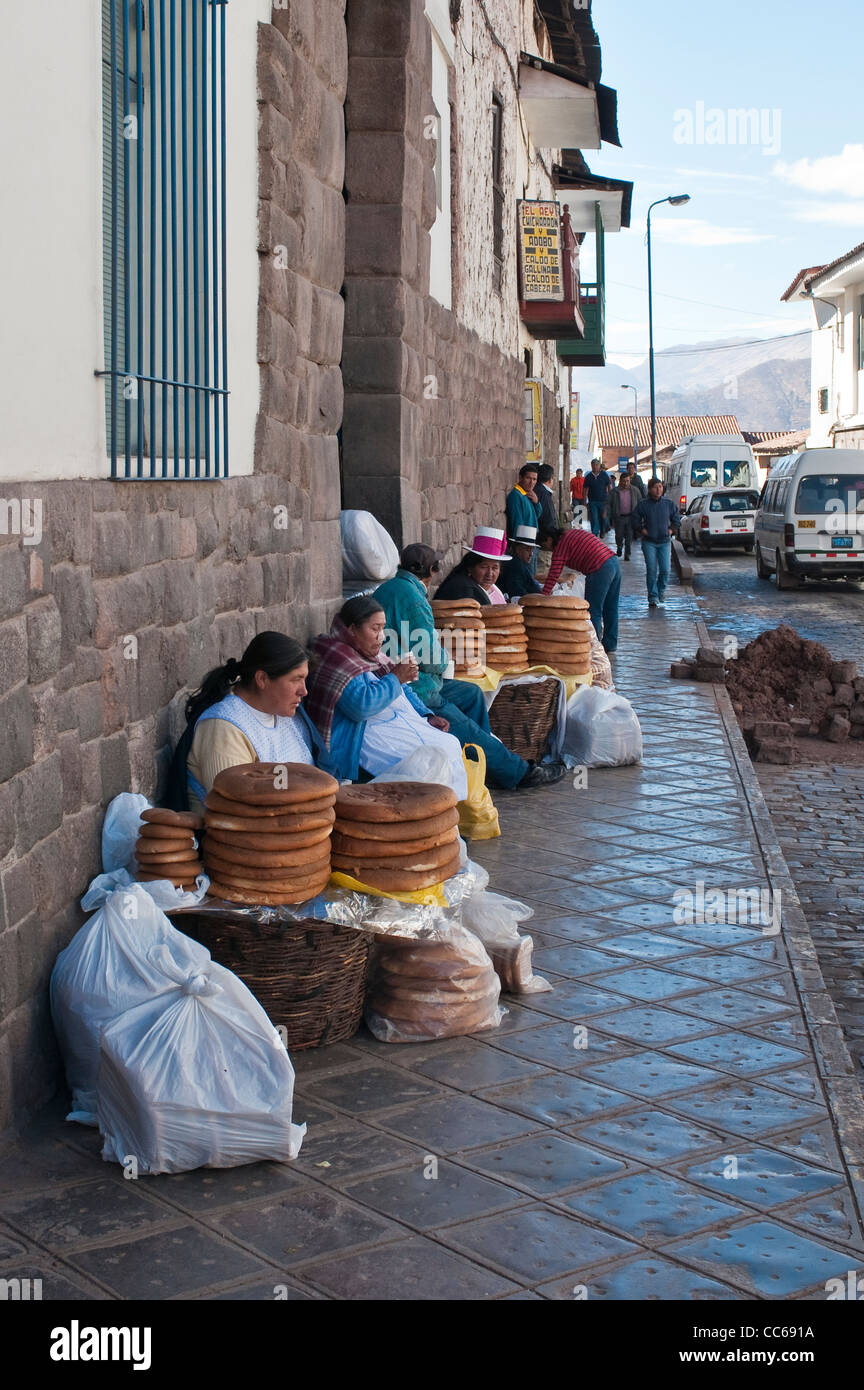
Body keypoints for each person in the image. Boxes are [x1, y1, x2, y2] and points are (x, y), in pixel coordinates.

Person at [374, 544, 565, 790]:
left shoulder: (387, 588)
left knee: (472, 693)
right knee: (465, 727)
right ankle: (519, 773)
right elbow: (428, 655)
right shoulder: (413, 598)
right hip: (416, 687)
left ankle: (480, 766)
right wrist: (447, 662)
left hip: (411, 677)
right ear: (432, 570)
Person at [305, 597, 468, 794]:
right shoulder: (336, 659)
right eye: (375, 629)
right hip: (359, 739)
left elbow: (405, 690)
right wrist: (395, 678)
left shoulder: (371, 655)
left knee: (448, 743)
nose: (381, 636)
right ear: (352, 629)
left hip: (390, 725)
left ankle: (442, 810)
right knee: (425, 762)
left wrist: (427, 715)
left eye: (383, 628)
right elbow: (361, 707)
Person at [165, 632, 335, 815]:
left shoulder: (286, 714)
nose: (304, 691)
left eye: (304, 679)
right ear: (262, 679)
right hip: (243, 839)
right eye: (296, 680)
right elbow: (235, 810)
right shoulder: (223, 728)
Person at [538, 526, 621, 654]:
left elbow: (553, 574)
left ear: (549, 539)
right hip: (613, 562)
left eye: (544, 545)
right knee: (611, 607)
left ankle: (595, 647)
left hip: (599, 568)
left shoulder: (561, 546)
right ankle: (610, 644)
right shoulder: (571, 533)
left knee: (593, 610)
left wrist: (542, 597)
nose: (547, 549)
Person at [632, 477, 680, 608]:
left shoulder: (668, 504)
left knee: (665, 570)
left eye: (660, 486)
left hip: (664, 541)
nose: (658, 490)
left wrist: (671, 530)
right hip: (649, 542)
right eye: (655, 487)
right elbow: (635, 519)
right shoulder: (643, 504)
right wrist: (642, 530)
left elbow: (677, 519)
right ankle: (653, 596)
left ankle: (661, 591)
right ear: (649, 489)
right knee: (651, 569)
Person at [434, 528, 510, 605]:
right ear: (470, 567)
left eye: (495, 568)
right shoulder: (464, 590)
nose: (490, 573)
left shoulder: (493, 588)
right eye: (484, 567)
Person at [502, 525, 542, 600]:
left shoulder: (521, 563)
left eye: (532, 550)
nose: (531, 554)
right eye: (527, 550)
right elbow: (518, 593)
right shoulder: (515, 566)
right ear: (517, 549)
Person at [505, 464, 542, 540]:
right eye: (528, 478)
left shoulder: (528, 494)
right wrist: (519, 546)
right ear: (521, 478)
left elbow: (536, 515)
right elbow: (517, 523)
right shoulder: (516, 496)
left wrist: (537, 502)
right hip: (523, 544)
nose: (531, 482)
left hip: (531, 540)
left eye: (534, 479)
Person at [582, 458, 613, 537]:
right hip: (592, 501)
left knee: (603, 517)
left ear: (599, 466)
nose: (595, 467)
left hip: (603, 501)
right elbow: (585, 489)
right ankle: (594, 534)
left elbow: (609, 486)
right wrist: (584, 501)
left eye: (596, 465)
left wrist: (611, 498)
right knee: (594, 518)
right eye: (593, 465)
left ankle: (602, 530)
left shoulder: (604, 475)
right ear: (591, 466)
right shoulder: (588, 477)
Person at [608, 473, 635, 561]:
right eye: (624, 481)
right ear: (620, 481)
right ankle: (619, 546)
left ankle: (628, 554)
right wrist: (607, 513)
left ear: (630, 481)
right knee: (619, 535)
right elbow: (608, 503)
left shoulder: (635, 491)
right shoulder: (614, 492)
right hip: (619, 517)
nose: (626, 483)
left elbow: (640, 503)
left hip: (631, 517)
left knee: (629, 536)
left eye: (627, 481)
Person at [536, 464, 559, 531]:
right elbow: (548, 517)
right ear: (550, 479)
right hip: (545, 535)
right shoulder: (543, 493)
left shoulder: (538, 489)